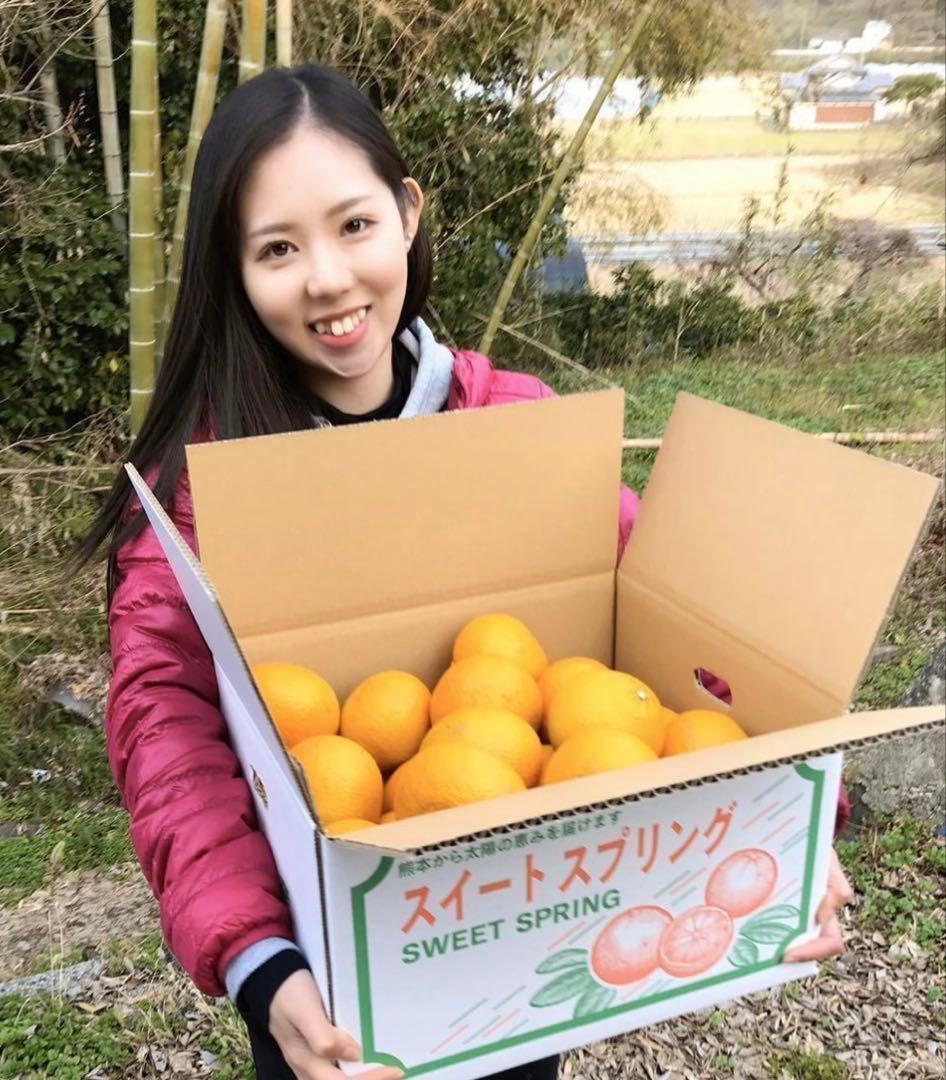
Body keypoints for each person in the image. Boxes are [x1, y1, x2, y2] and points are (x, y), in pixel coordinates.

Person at [76, 63, 853, 1080]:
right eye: (278, 247)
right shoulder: (201, 497)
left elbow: (683, 633)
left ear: (407, 215)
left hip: (518, 933)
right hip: (329, 973)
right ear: (234, 269)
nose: (326, 278)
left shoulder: (514, 431)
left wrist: (782, 827)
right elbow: (164, 731)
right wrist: (259, 960)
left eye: (353, 225)